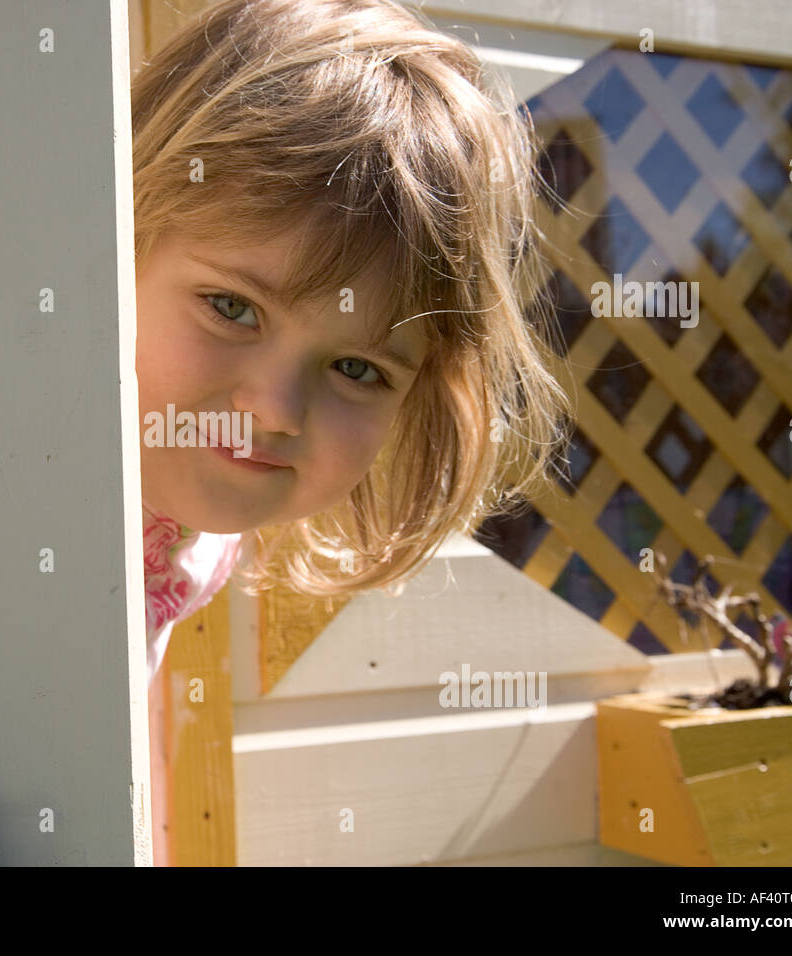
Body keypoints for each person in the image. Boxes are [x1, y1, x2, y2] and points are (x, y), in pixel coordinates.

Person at [132, 0, 574, 862]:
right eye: (233, 308)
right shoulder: (33, 505)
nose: (276, 410)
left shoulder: (198, 522)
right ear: (119, 241)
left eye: (358, 369)